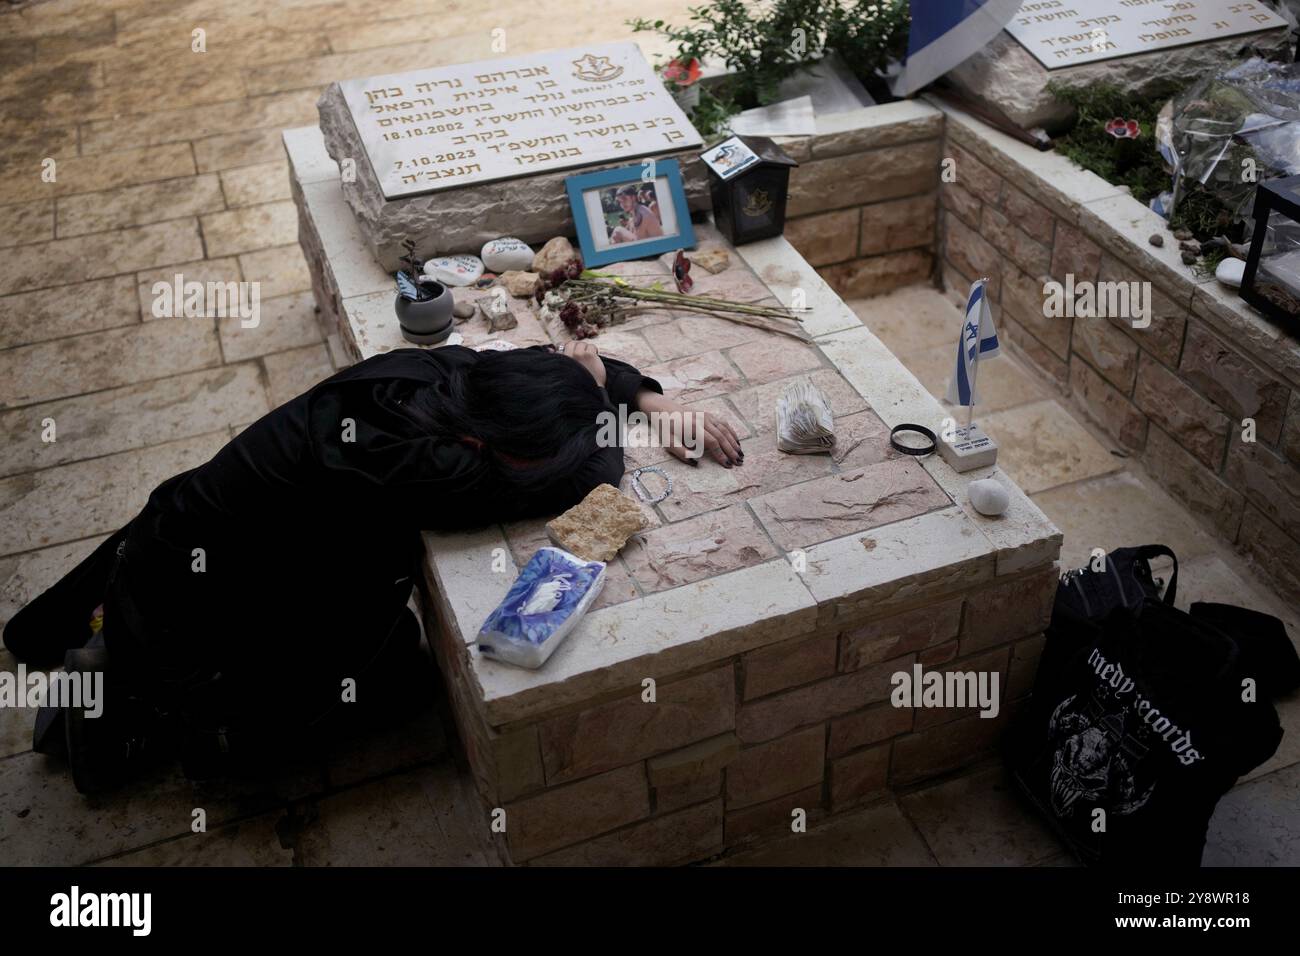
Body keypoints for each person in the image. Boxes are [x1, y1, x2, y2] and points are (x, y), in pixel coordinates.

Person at [3, 343, 743, 792]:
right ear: (506, 450)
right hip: (205, 618)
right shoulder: (426, 468)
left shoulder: (429, 378)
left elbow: (544, 374)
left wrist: (643, 394)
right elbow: (580, 474)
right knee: (401, 681)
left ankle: (131, 663)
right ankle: (194, 724)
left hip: (167, 550)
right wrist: (604, 402)